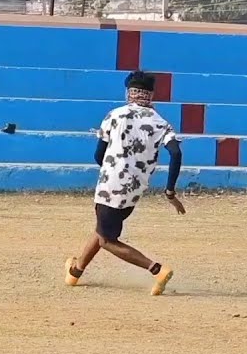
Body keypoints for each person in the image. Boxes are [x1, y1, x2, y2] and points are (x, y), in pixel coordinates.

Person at [65, 71, 187, 296]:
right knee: (103, 228)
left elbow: (98, 154)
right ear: (151, 94)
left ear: (128, 92)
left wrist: (111, 170)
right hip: (135, 189)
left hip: (110, 185)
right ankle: (75, 271)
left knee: (107, 240)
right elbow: (176, 154)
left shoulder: (115, 115)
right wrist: (170, 192)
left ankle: (157, 270)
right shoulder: (161, 123)